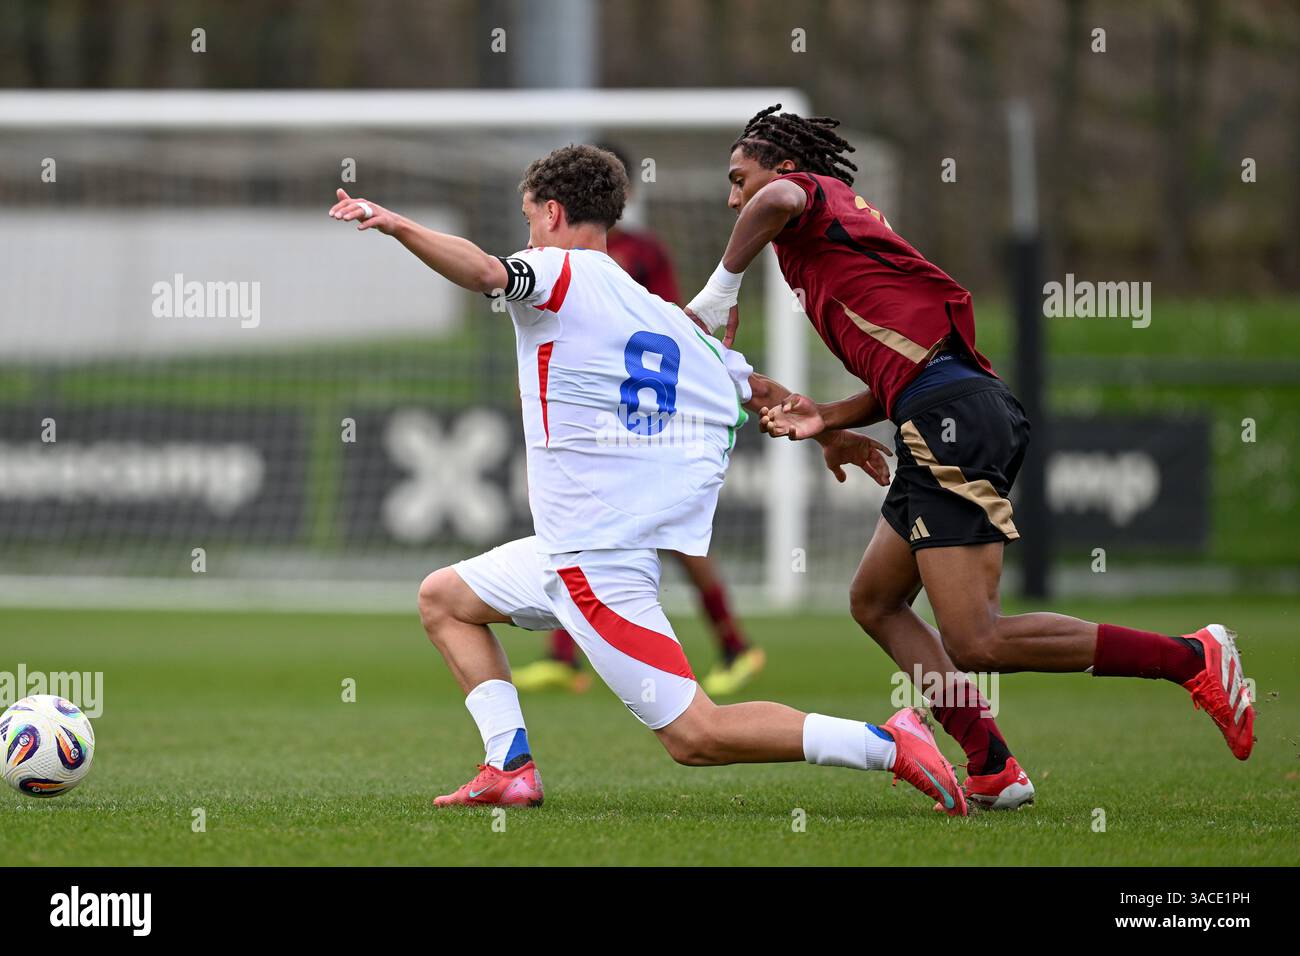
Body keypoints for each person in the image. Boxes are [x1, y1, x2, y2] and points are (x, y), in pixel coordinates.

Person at [328, 143, 966, 815]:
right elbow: (751, 385)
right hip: (567, 547)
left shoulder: (556, 273)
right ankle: (508, 766)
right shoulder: (659, 312)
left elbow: (486, 271)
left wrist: (397, 225)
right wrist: (831, 432)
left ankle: (887, 744)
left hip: (595, 561)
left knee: (697, 735)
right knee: (444, 599)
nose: (526, 235)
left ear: (551, 212)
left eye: (527, 218)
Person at [685, 105, 1256, 809]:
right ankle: (991, 764)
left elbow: (777, 199)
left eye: (737, 179)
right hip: (944, 405)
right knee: (875, 600)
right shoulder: (822, 244)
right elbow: (907, 368)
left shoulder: (804, 197)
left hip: (951, 416)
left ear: (783, 167)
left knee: (978, 640)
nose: (733, 197)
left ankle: (1191, 657)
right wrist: (830, 418)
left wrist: (719, 288)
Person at [514, 144, 764, 699]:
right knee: (588, 527)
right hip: (597, 417)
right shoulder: (555, 260)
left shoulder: (631, 255)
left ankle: (732, 643)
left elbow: (667, 326)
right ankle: (565, 656)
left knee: (665, 535)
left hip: (646, 414)